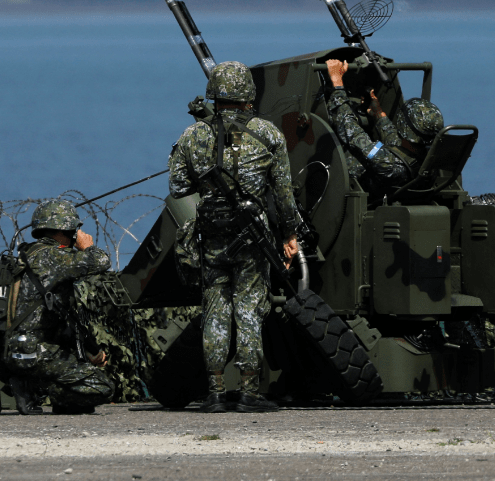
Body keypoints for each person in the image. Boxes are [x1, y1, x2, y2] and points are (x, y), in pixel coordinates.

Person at [169, 60, 302, 413]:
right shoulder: (269, 134)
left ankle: (214, 392)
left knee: (214, 308)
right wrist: (290, 234)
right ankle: (249, 393)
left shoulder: (193, 135)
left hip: (210, 233)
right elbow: (284, 194)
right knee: (248, 309)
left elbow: (178, 186)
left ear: (213, 94)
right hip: (253, 235)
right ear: (248, 95)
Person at [1, 199, 115, 415]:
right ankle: (34, 388)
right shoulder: (52, 256)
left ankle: (33, 386)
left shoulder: (30, 254)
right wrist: (87, 245)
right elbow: (101, 261)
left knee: (80, 402)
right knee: (102, 387)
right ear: (67, 230)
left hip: (13, 348)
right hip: (33, 351)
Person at [324, 58, 445, 196]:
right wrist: (378, 114)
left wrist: (337, 83)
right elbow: (396, 145)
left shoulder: (386, 162)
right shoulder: (428, 160)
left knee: (345, 157)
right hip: (402, 189)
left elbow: (351, 132)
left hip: (371, 194)